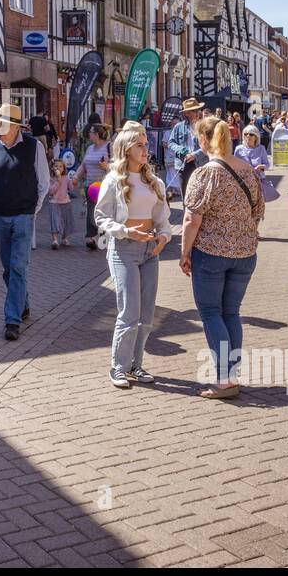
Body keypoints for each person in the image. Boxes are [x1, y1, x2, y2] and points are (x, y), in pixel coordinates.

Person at [181, 115, 264, 398]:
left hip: (211, 254)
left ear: (203, 140)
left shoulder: (204, 173)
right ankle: (231, 374)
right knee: (231, 313)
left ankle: (224, 379)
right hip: (245, 253)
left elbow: (192, 218)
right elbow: (258, 212)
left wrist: (184, 252)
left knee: (211, 313)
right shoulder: (248, 171)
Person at [95, 121, 172, 389]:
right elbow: (101, 217)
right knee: (129, 312)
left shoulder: (155, 181)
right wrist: (126, 231)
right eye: (139, 145)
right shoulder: (114, 180)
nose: (145, 149)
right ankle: (118, 367)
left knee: (147, 314)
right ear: (126, 149)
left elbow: (163, 218)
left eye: (146, 144)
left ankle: (135, 365)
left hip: (151, 249)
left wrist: (163, 236)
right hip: (124, 251)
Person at [0, 103, 49, 340]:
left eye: (1, 124)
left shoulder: (34, 146)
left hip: (23, 214)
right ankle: (22, 303)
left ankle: (12, 320)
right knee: (8, 268)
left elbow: (44, 182)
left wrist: (33, 210)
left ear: (14, 126)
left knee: (19, 266)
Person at [165, 97, 207, 200]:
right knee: (186, 194)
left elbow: (209, 145)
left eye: (197, 110)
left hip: (201, 164)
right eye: (194, 110)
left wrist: (195, 154)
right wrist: (180, 149)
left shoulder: (205, 127)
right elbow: (171, 143)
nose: (197, 112)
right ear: (186, 113)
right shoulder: (178, 127)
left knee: (201, 194)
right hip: (183, 165)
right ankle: (186, 215)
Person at [78, 123, 111, 250]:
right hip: (91, 186)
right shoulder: (90, 148)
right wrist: (75, 178)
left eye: (91, 132)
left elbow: (117, 166)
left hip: (104, 186)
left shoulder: (109, 147)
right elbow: (83, 165)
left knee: (104, 212)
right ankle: (92, 237)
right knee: (91, 213)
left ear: (97, 134)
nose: (89, 134)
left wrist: (106, 167)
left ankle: (103, 237)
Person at [46, 158, 74, 249]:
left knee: (66, 221)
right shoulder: (50, 179)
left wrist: (72, 181)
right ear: (52, 168)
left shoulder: (66, 178)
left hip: (66, 202)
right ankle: (55, 240)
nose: (58, 168)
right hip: (54, 203)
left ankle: (65, 238)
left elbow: (71, 188)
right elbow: (51, 191)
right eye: (56, 166)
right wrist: (57, 181)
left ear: (64, 168)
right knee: (55, 221)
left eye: (60, 166)